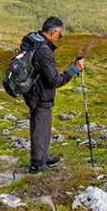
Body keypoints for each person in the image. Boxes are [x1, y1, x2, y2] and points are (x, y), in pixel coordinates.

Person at [20, 15, 85, 173]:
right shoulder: (44, 51)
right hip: (40, 94)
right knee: (40, 128)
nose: (59, 38)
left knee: (44, 126)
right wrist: (75, 69)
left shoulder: (32, 40)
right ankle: (37, 164)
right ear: (53, 32)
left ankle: (43, 155)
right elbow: (55, 81)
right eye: (60, 35)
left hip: (33, 90)